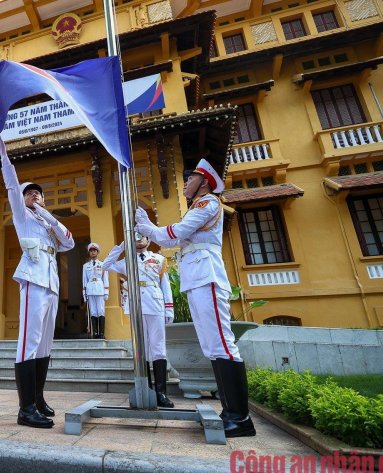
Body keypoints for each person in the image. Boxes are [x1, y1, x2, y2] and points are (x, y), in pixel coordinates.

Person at [135, 158, 256, 437]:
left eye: (190, 178)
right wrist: (146, 224)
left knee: (222, 344)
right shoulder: (196, 208)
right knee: (212, 345)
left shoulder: (208, 203)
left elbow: (175, 232)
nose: (186, 182)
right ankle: (230, 412)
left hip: (207, 276)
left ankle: (240, 417)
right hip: (196, 278)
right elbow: (171, 241)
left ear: (204, 182)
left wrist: (150, 228)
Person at [0, 136, 75, 428]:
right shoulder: (23, 217)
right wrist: (3, 152)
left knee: (44, 346)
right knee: (29, 343)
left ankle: (38, 399)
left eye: (38, 194)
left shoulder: (46, 223)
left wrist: (48, 215)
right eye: (30, 194)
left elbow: (69, 242)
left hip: (51, 284)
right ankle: (25, 408)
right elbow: (12, 185)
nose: (34, 196)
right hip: (33, 281)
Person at [102, 235, 175, 408]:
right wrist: (121, 246)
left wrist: (169, 307)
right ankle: (146, 390)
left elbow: (165, 285)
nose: (139, 241)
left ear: (148, 240)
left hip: (155, 302)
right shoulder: (126, 260)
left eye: (142, 237)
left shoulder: (159, 258)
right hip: (136, 304)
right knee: (140, 348)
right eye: (134, 238)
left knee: (158, 347)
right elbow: (105, 265)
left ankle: (161, 393)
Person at [82, 243, 109, 339]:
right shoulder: (85, 266)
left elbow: (105, 278)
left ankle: (101, 333)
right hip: (90, 289)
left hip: (100, 288)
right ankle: (95, 333)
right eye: (91, 251)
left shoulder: (102, 264)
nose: (93, 252)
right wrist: (84, 294)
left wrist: (106, 291)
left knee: (101, 311)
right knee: (93, 311)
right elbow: (84, 280)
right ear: (89, 253)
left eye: (94, 251)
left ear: (97, 252)